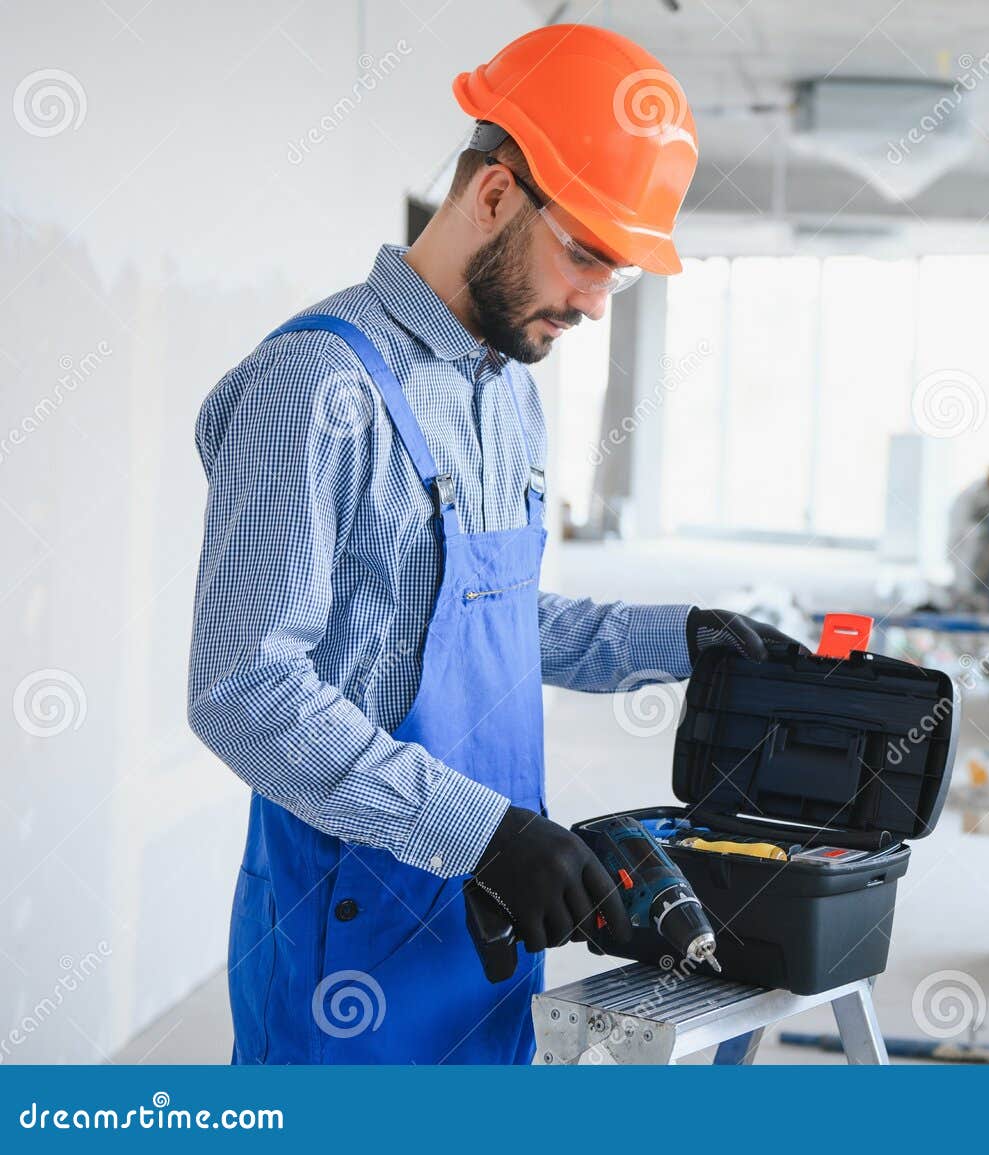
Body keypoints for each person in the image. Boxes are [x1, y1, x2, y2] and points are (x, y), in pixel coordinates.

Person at [187, 25, 800, 1065]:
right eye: (587, 255)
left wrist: (681, 639)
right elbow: (244, 689)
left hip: (491, 913)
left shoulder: (507, 394)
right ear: (494, 195)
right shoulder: (317, 386)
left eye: (623, 275)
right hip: (355, 928)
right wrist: (486, 832)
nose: (597, 304)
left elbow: (491, 616)